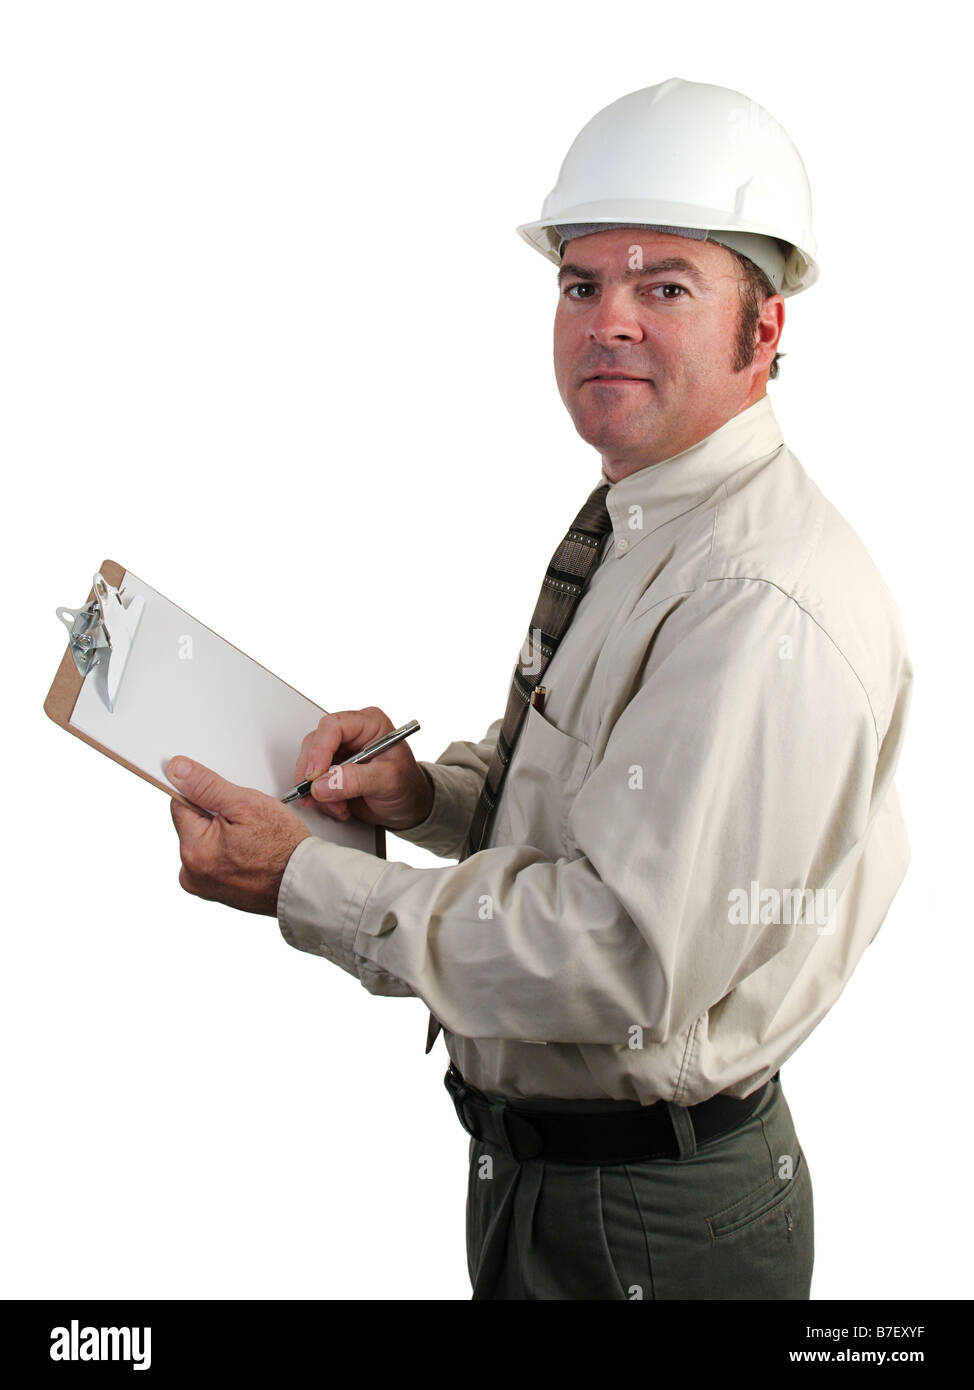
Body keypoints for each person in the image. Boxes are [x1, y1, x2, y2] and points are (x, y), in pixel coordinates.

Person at [167, 78, 912, 1300]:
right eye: (580, 284)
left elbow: (619, 952)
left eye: (663, 284)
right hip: (550, 1182)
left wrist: (308, 880)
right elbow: (603, 814)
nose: (605, 320)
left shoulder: (752, 595)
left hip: (651, 1227)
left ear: (762, 330)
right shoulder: (650, 517)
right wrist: (422, 794)